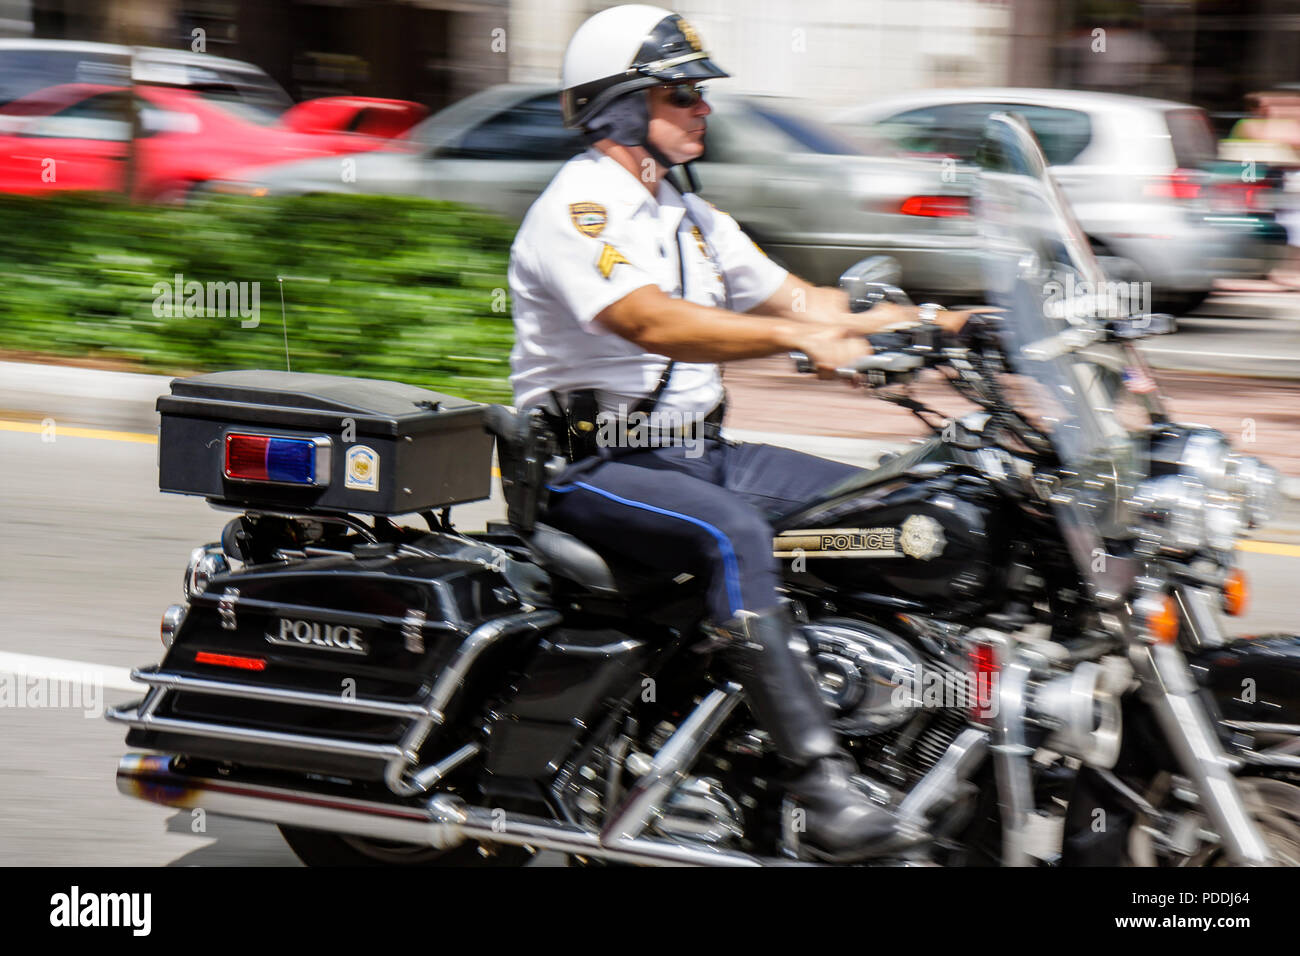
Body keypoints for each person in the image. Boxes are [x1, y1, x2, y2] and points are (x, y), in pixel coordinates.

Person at [508, 3, 981, 861]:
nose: (705, 110)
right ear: (623, 105)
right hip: (594, 464)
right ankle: (822, 786)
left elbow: (812, 304)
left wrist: (952, 324)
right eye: (684, 94)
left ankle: (905, 719)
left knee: (888, 505)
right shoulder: (579, 209)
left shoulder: (688, 217)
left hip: (701, 452)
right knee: (735, 534)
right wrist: (798, 338)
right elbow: (649, 322)